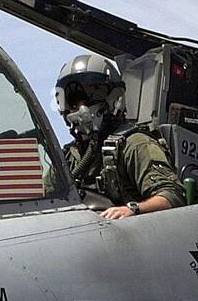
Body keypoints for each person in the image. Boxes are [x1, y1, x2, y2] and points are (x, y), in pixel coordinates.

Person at [55, 53, 185, 219]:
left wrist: (133, 209)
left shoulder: (135, 144)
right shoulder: (66, 157)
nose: (82, 109)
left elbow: (172, 195)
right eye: (73, 101)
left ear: (113, 98)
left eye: (91, 96)